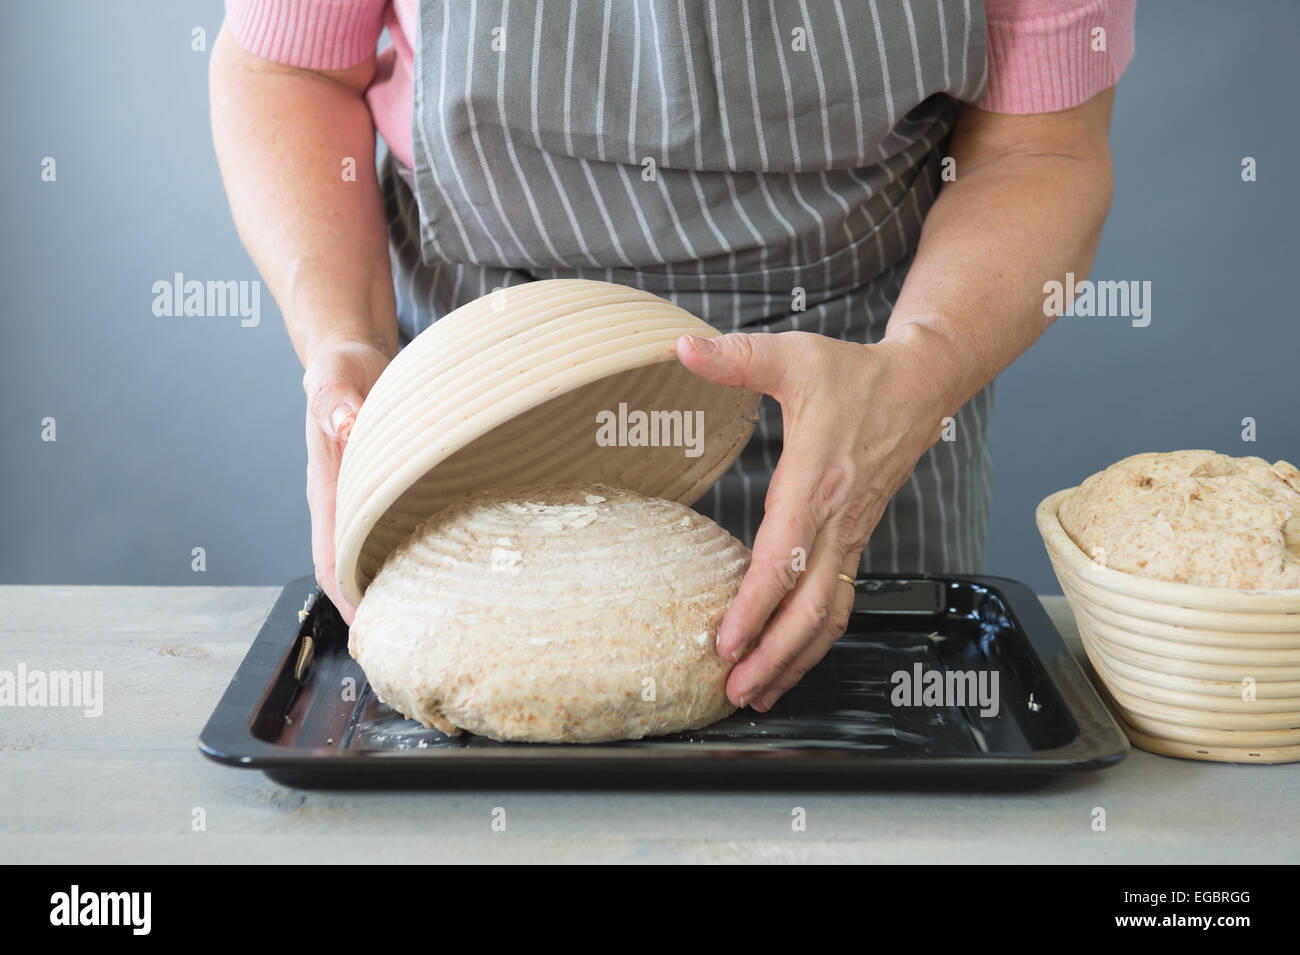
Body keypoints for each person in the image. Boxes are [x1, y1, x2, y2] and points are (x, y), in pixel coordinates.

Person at [210, 0, 1133, 713]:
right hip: (480, 399)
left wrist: (920, 365)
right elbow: (288, 69)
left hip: (852, 396)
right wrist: (344, 338)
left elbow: (1039, 148)